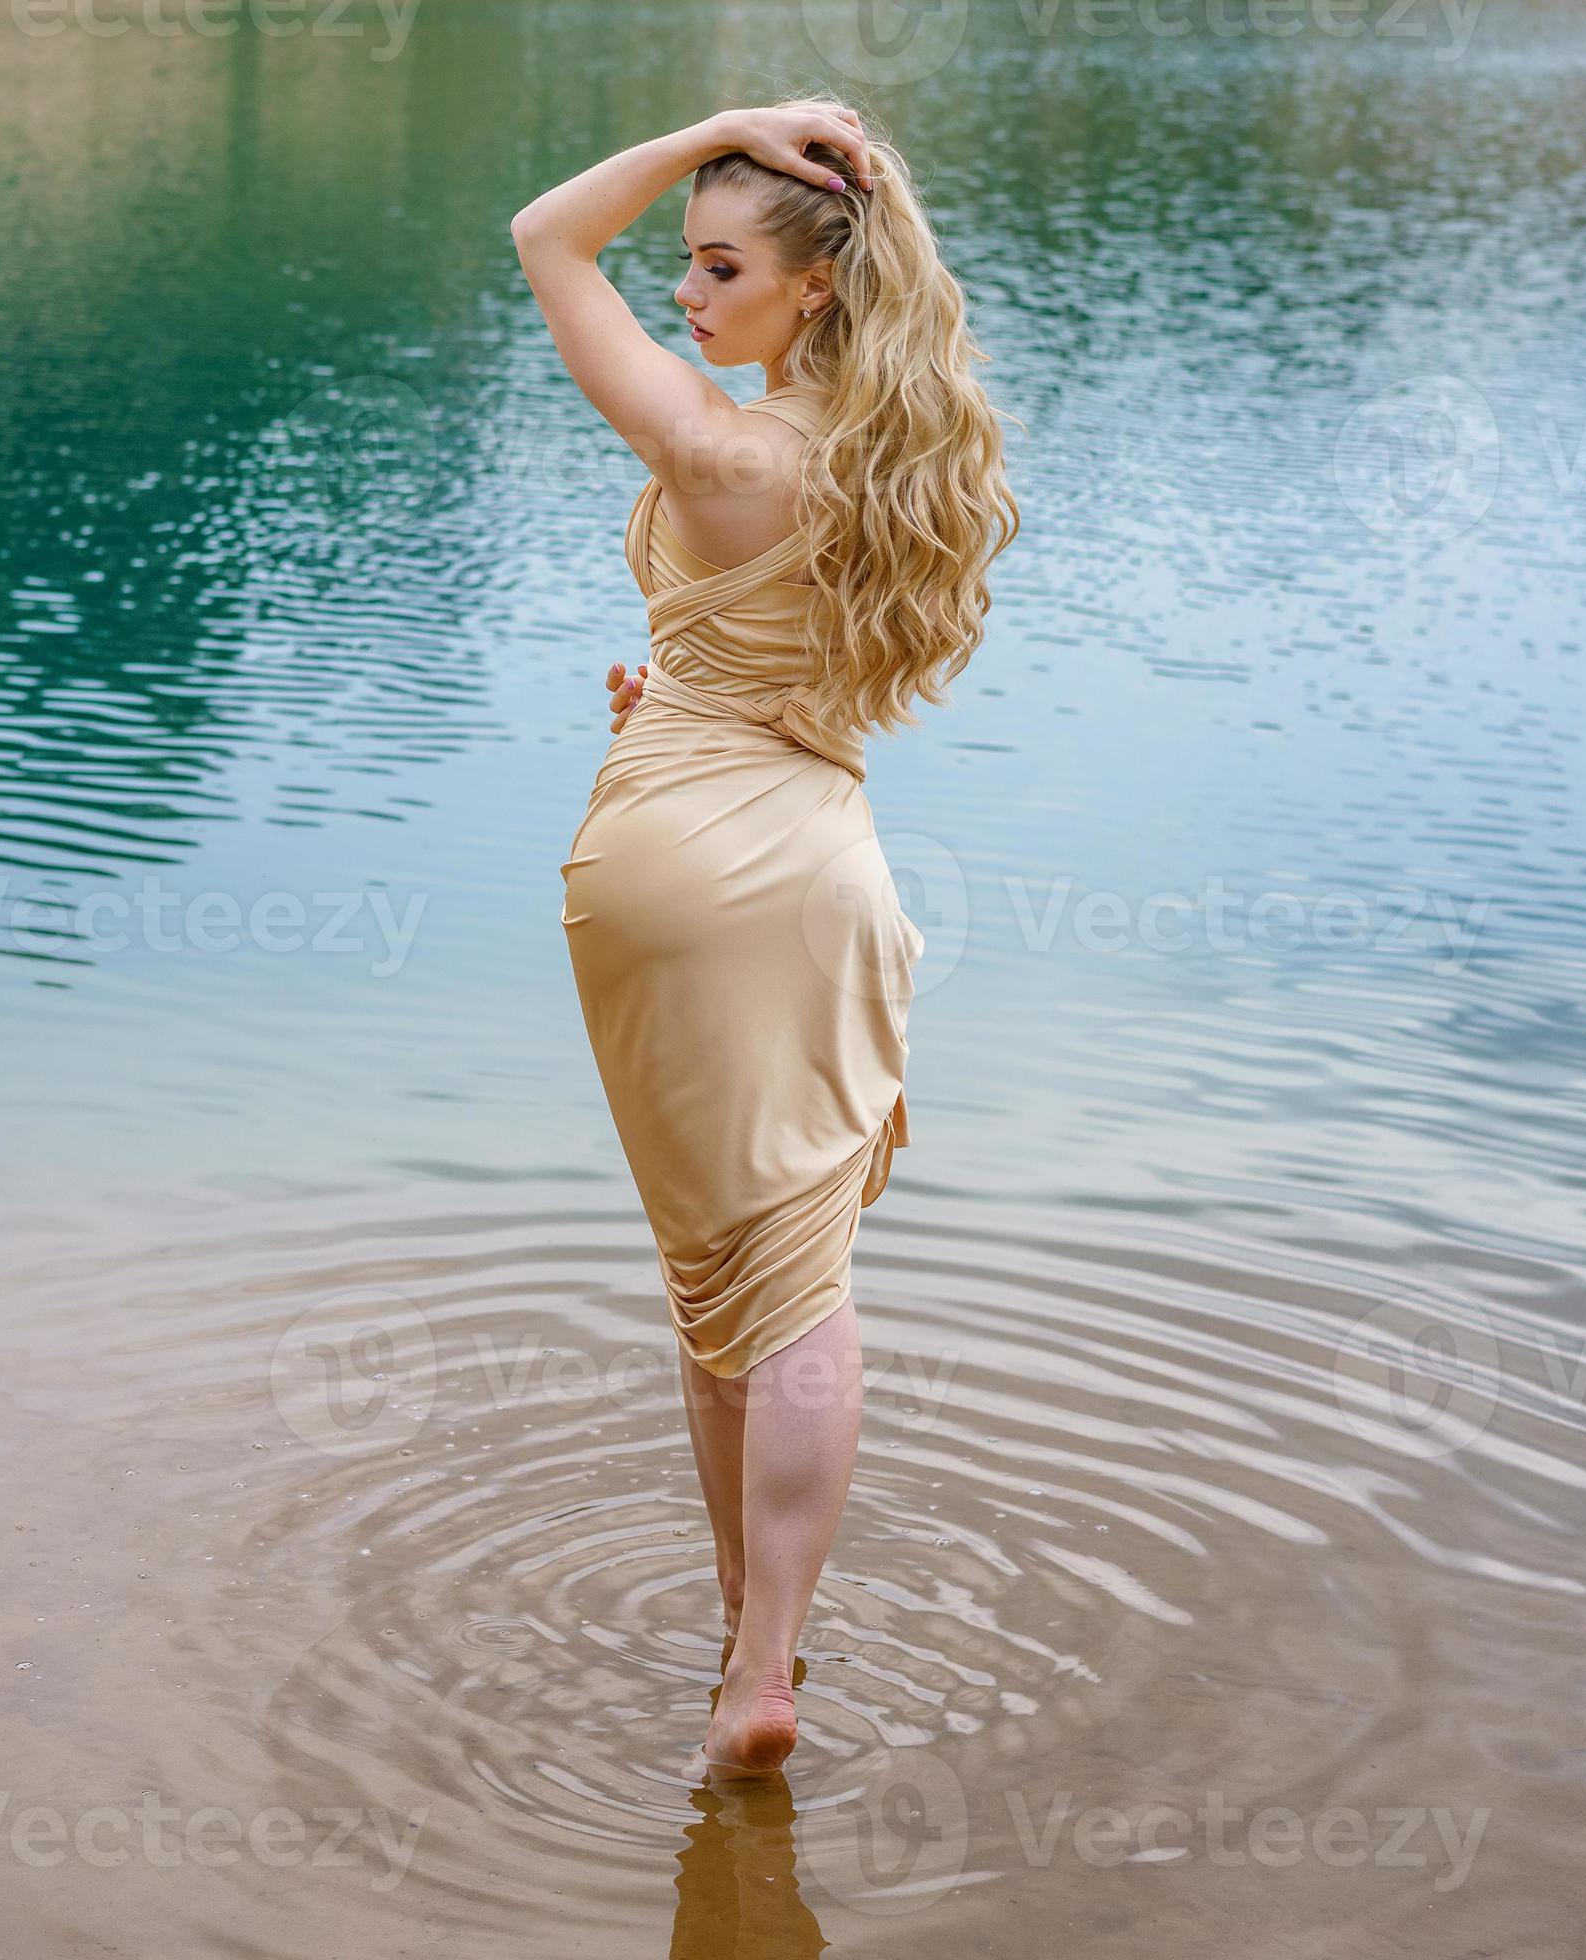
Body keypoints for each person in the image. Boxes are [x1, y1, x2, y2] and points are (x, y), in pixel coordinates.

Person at [512, 98, 1019, 1777]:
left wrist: (712, 127)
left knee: (729, 1285)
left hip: (674, 869)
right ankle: (758, 1651)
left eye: (718, 267)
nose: (687, 296)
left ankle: (757, 1657)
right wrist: (683, 696)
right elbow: (793, 680)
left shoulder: (721, 452)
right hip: (809, 865)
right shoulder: (895, 468)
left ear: (811, 290)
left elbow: (540, 238)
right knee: (779, 1271)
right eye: (685, 267)